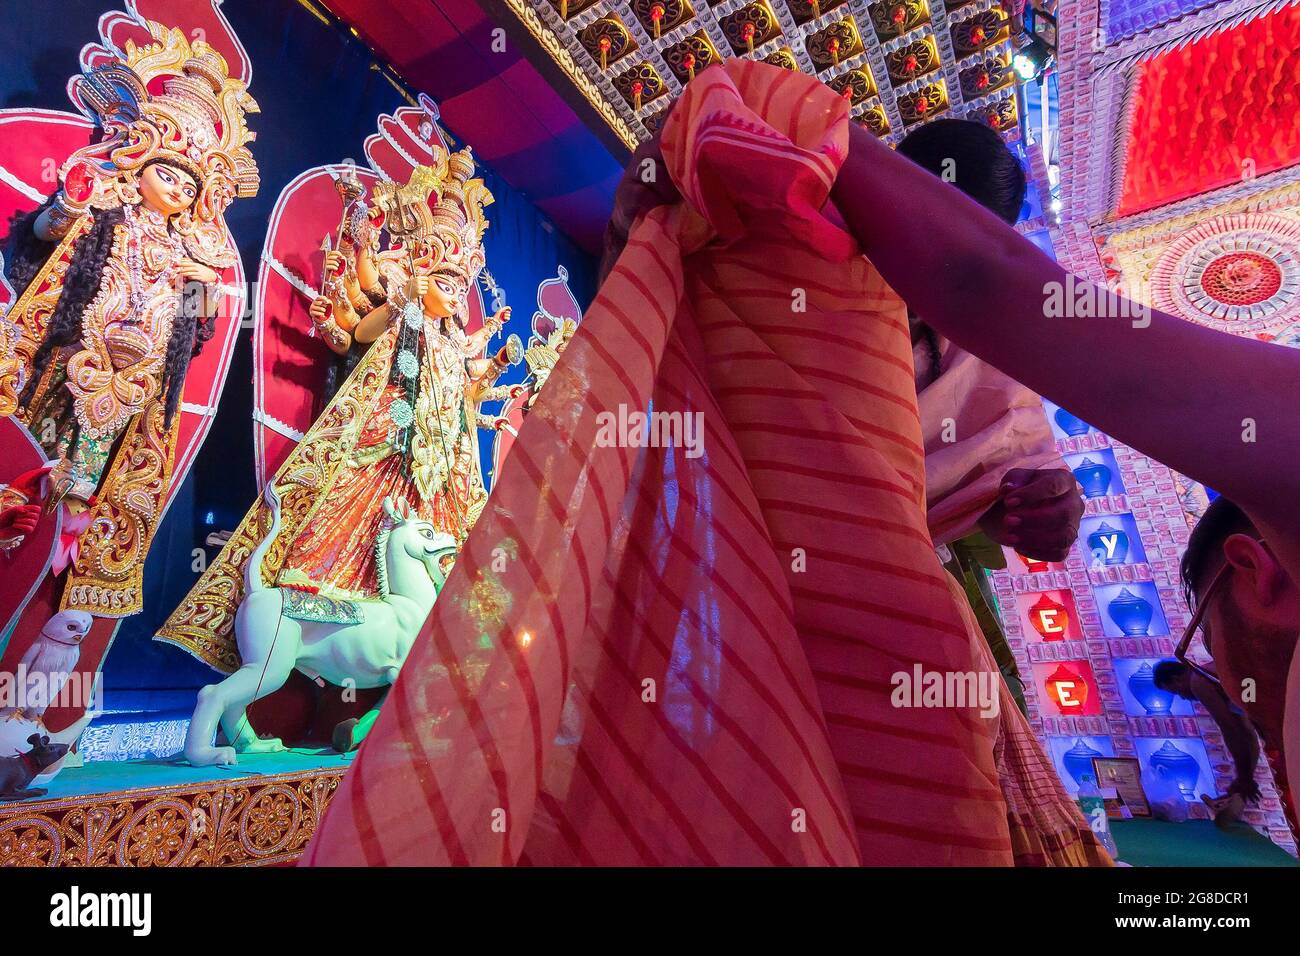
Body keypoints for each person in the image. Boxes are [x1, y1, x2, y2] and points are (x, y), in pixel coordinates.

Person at [896, 119, 1083, 708]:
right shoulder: (786, 248)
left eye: (952, 245)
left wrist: (1042, 504)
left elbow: (1017, 477)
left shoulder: (981, 352)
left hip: (861, 583)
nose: (920, 256)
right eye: (909, 219)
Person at [1176, 497, 1300, 830]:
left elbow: (1238, 732)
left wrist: (1244, 779)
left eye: (1208, 636)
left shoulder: (1204, 682)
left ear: (1253, 567)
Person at [1152, 658, 1259, 821]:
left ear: (1176, 679)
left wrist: (1244, 778)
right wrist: (1245, 778)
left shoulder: (1198, 681)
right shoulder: (1213, 674)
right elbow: (1248, 732)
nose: (1182, 697)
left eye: (1176, 692)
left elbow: (1231, 729)